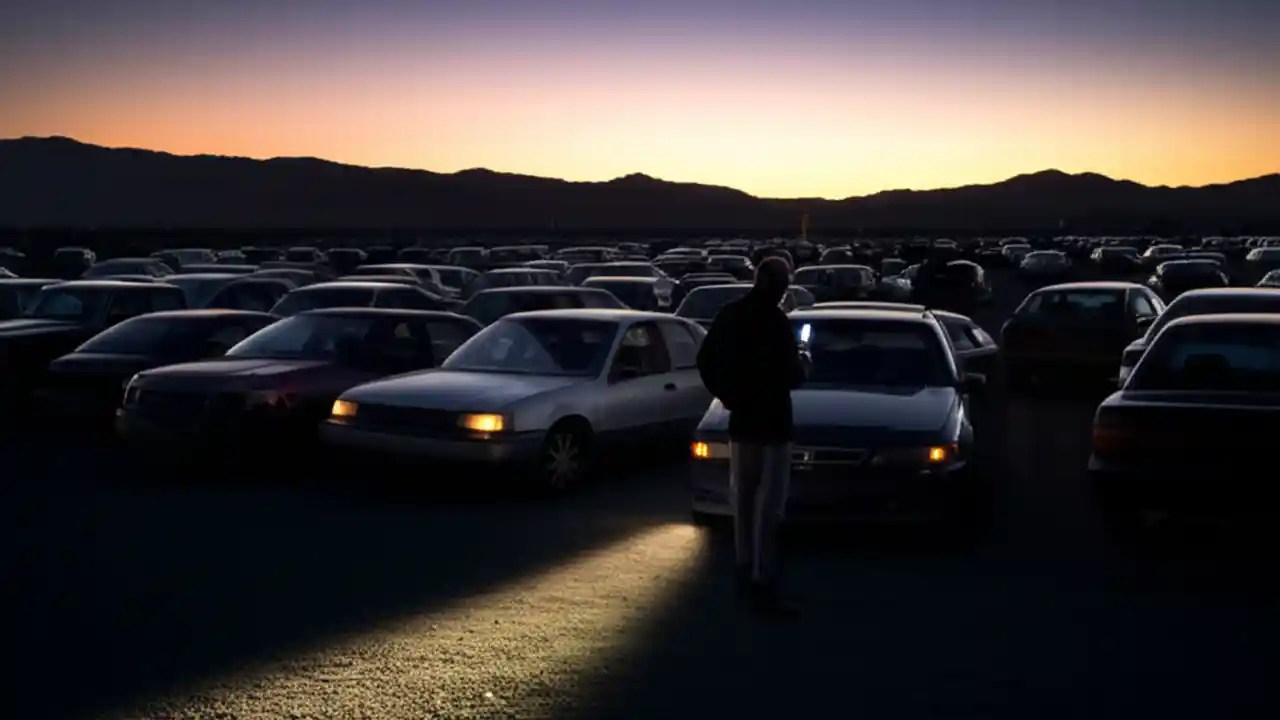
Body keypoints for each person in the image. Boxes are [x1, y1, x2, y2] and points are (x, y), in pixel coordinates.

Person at [696, 257, 808, 617]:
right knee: (769, 505)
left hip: (743, 421)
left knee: (742, 500)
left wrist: (728, 394)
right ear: (780, 285)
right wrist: (803, 366)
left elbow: (705, 359)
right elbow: (792, 375)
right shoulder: (776, 323)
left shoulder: (731, 315)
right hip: (773, 424)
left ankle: (745, 570)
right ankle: (764, 579)